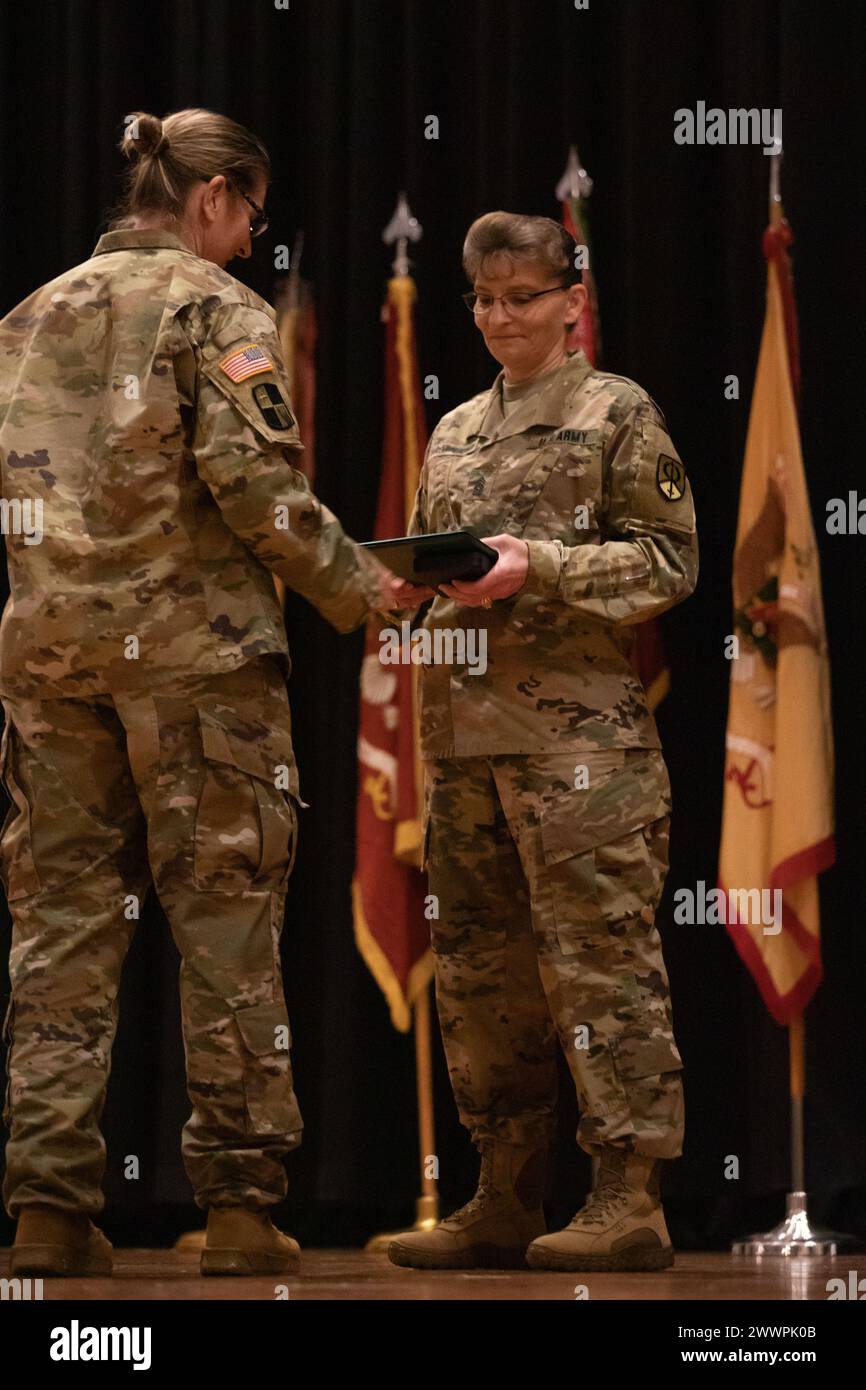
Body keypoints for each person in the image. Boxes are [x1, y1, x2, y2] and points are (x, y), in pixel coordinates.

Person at [0, 108, 405, 1277]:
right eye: (250, 217)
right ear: (212, 197)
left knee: (60, 934)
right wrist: (359, 586)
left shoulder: (30, 313)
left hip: (48, 666)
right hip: (195, 670)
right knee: (227, 929)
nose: (248, 241)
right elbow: (257, 489)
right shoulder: (215, 308)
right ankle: (235, 1208)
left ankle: (47, 1209)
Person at [387, 211, 698, 1272]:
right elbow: (448, 567)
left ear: (573, 303)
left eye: (521, 295)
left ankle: (627, 1194)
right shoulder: (455, 428)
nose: (497, 316)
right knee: (482, 977)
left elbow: (668, 562)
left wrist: (545, 568)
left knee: (601, 966)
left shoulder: (618, 411)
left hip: (583, 755)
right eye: (481, 298)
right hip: (464, 741)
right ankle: (504, 1191)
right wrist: (407, 586)